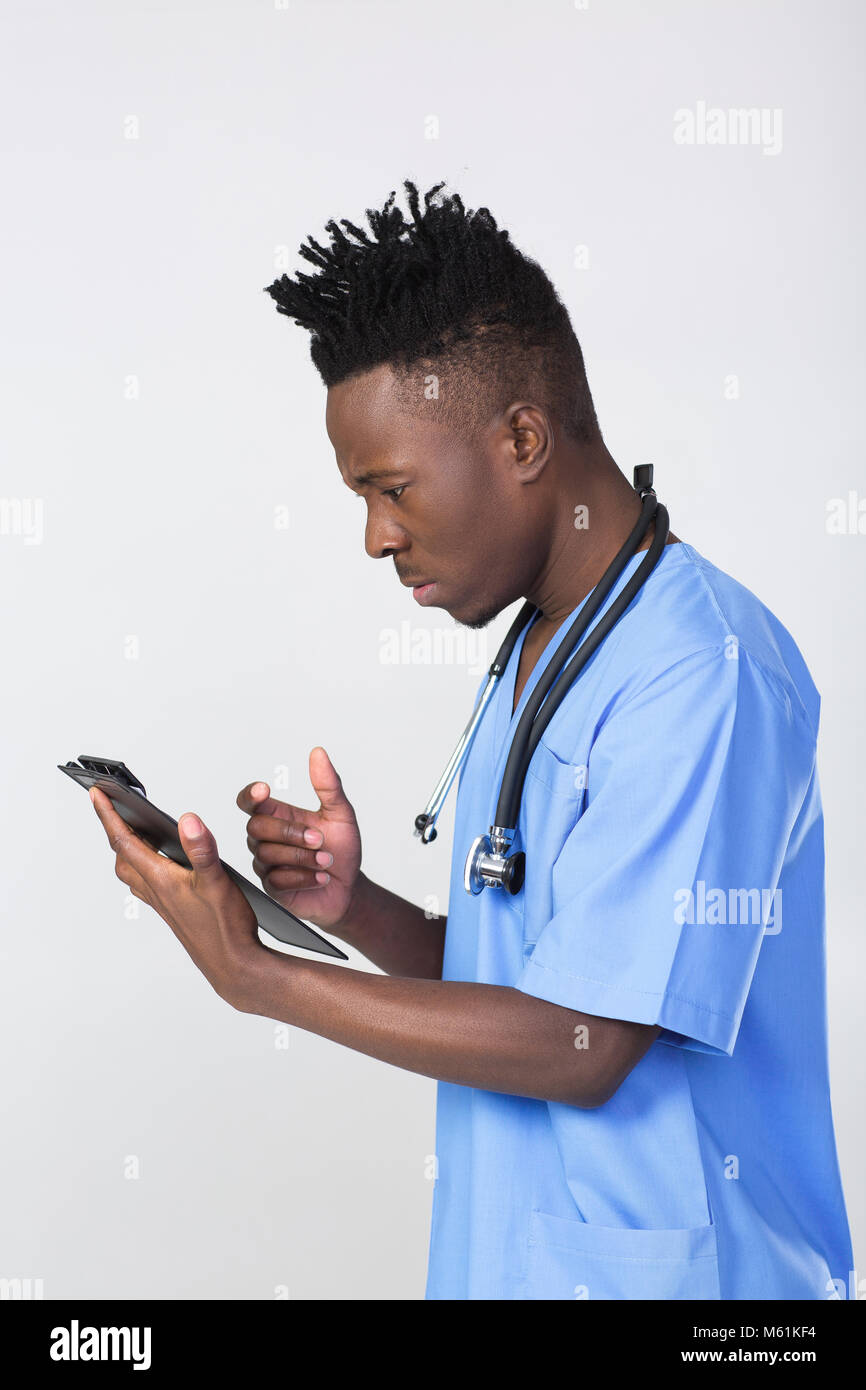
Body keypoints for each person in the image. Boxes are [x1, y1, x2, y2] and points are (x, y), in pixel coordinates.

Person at [91, 179, 853, 1300]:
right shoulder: (541, 644)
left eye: (389, 488)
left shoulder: (700, 672)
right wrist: (354, 910)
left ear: (523, 438)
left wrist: (259, 977)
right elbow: (526, 979)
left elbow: (579, 1044)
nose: (373, 536)